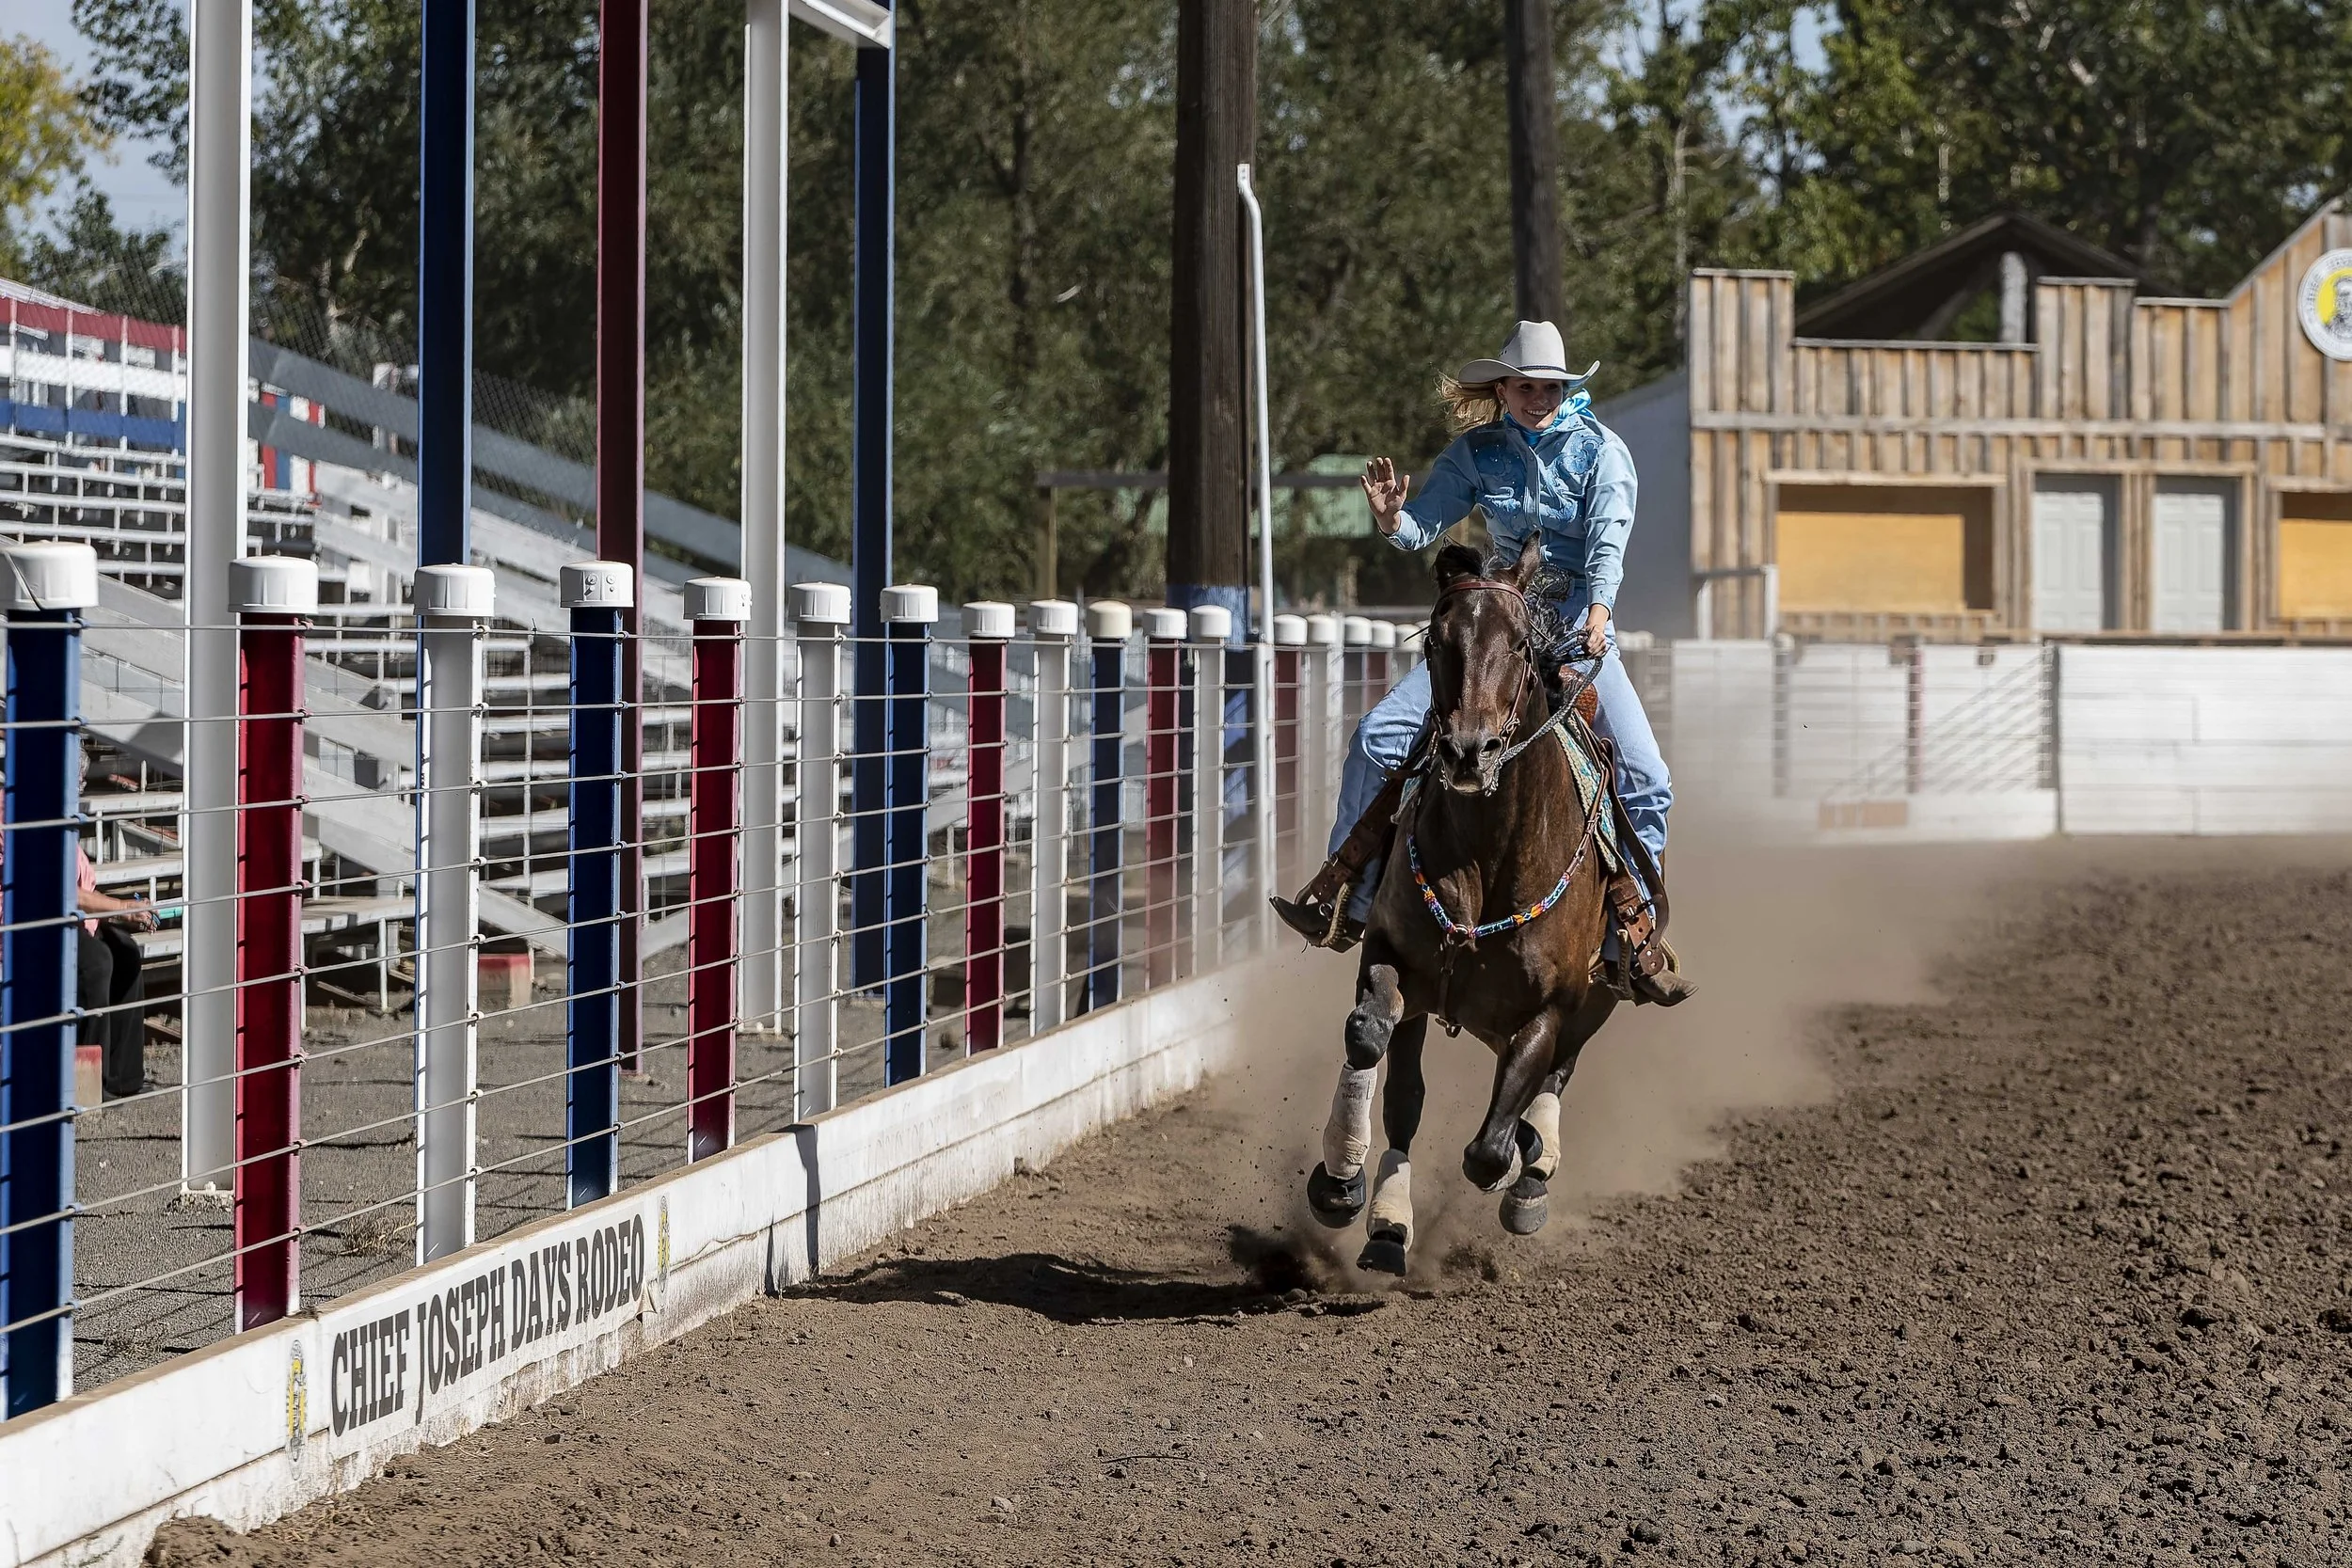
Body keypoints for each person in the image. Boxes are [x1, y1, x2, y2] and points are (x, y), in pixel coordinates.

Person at [1271, 319, 1693, 1006]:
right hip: (1497, 628)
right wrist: (1392, 520)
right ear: (1502, 389)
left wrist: (1599, 612)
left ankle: (1632, 938)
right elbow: (1423, 526)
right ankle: (1352, 895)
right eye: (1526, 387)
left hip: (1577, 628)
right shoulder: (1477, 452)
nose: (1539, 398)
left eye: (1550, 387)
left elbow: (1607, 540)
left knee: (1647, 778)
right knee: (1378, 737)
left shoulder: (1602, 452)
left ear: (1566, 389)